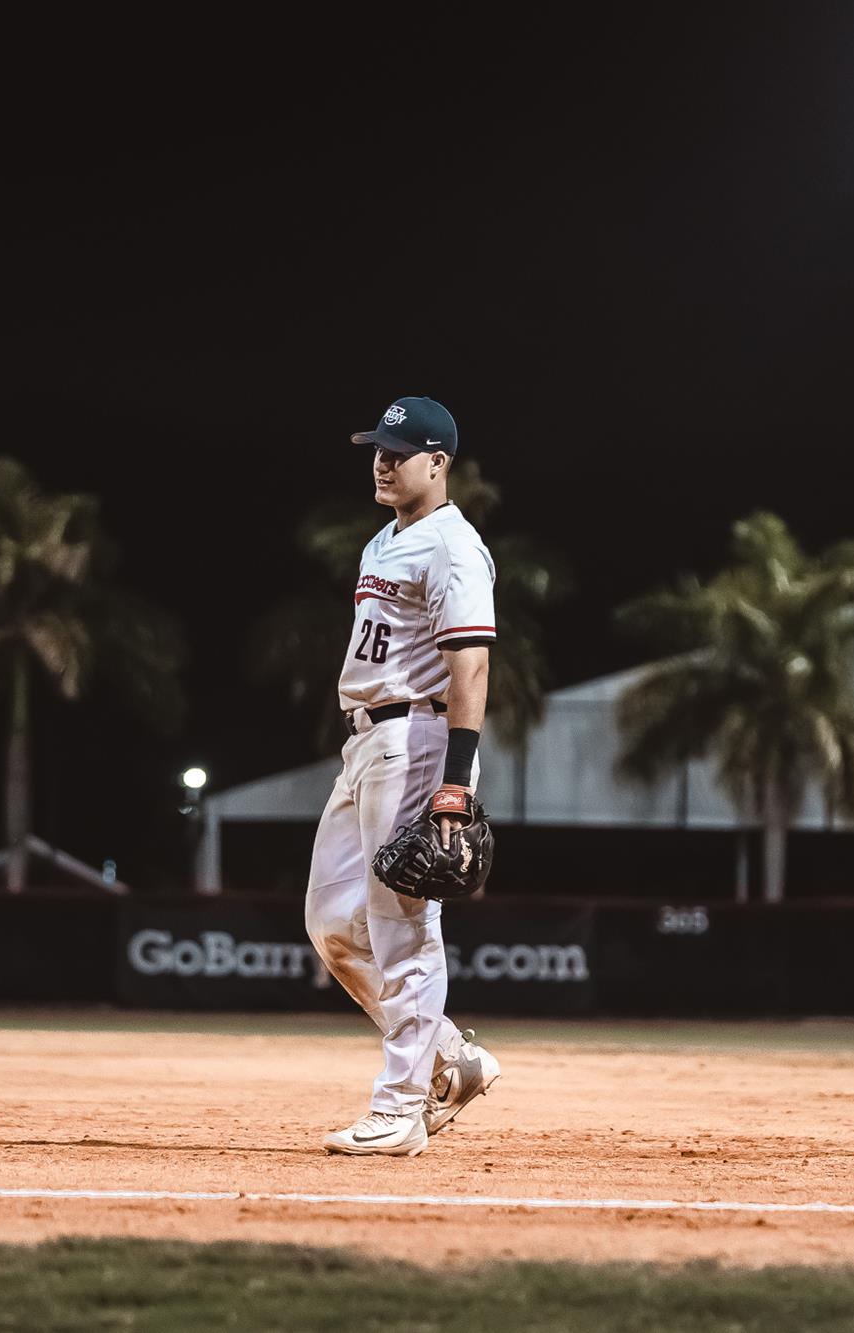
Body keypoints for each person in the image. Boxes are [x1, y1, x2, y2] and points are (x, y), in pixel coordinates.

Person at [306, 395, 503, 1157]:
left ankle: (400, 1109)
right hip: (366, 741)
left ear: (438, 462)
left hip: (418, 737)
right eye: (377, 448)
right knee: (332, 925)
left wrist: (454, 782)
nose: (384, 460)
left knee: (403, 928)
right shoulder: (384, 541)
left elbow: (472, 666)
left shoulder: (454, 547)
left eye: (400, 449)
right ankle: (452, 1058)